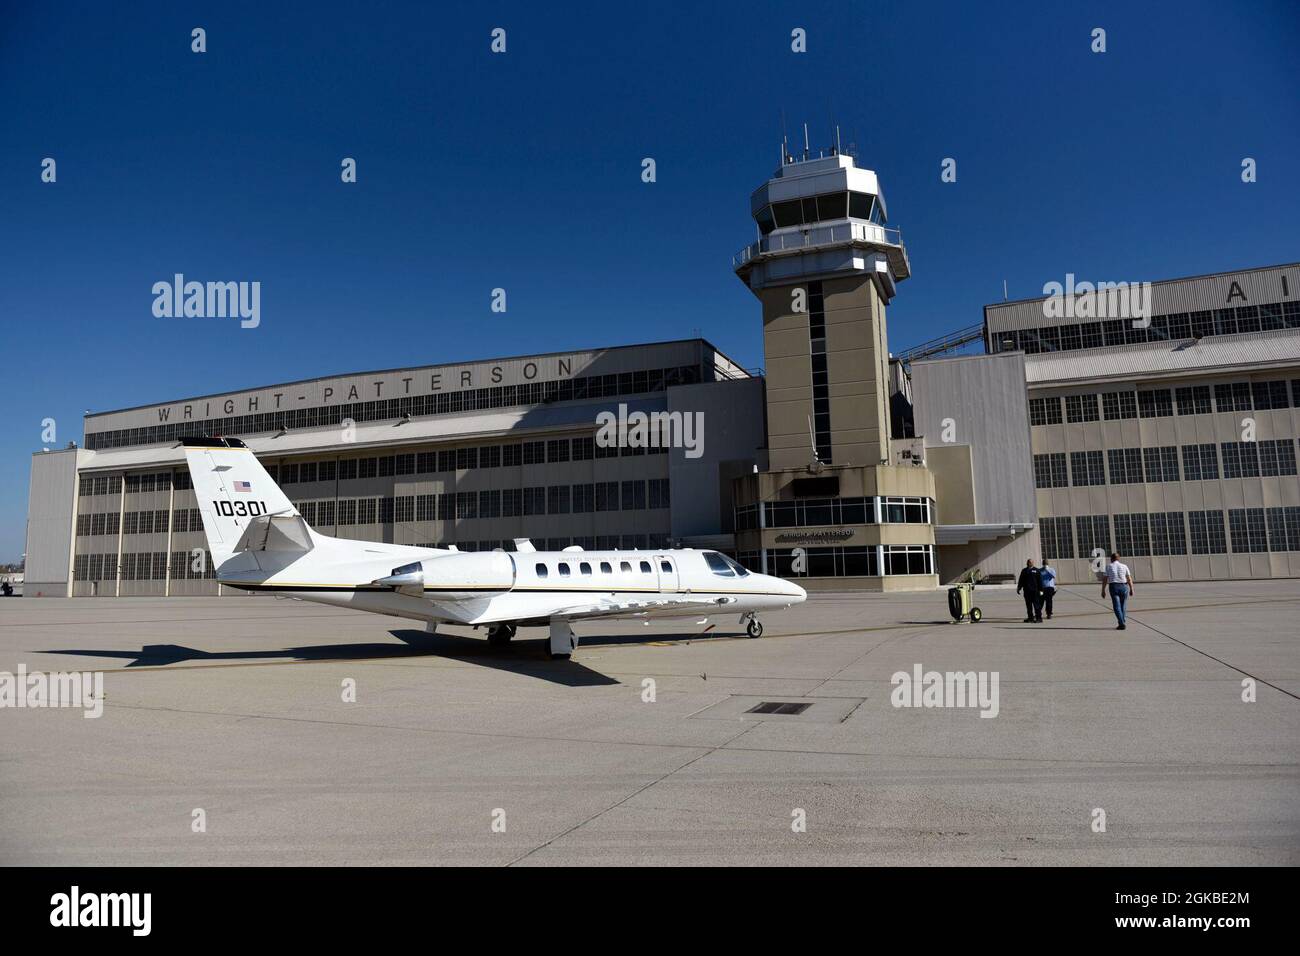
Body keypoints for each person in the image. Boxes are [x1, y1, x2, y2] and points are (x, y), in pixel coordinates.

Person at [1102, 552, 1134, 629]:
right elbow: (1129, 578)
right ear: (1118, 558)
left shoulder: (1108, 566)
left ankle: (1121, 623)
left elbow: (1105, 579)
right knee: (1123, 605)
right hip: (1124, 586)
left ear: (1111, 559)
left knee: (1116, 606)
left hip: (1114, 586)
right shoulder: (1124, 566)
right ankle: (1122, 620)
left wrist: (1103, 590)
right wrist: (1131, 589)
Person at [1016, 559, 1043, 623]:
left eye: (1031, 562)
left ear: (1033, 563)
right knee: (1028, 606)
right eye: (1028, 562)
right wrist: (1019, 588)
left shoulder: (1037, 571)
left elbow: (1040, 582)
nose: (1029, 563)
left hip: (1035, 592)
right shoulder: (1024, 571)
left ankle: (1039, 618)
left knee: (1036, 605)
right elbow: (1021, 580)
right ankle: (1030, 618)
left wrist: (1041, 591)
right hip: (1027, 592)